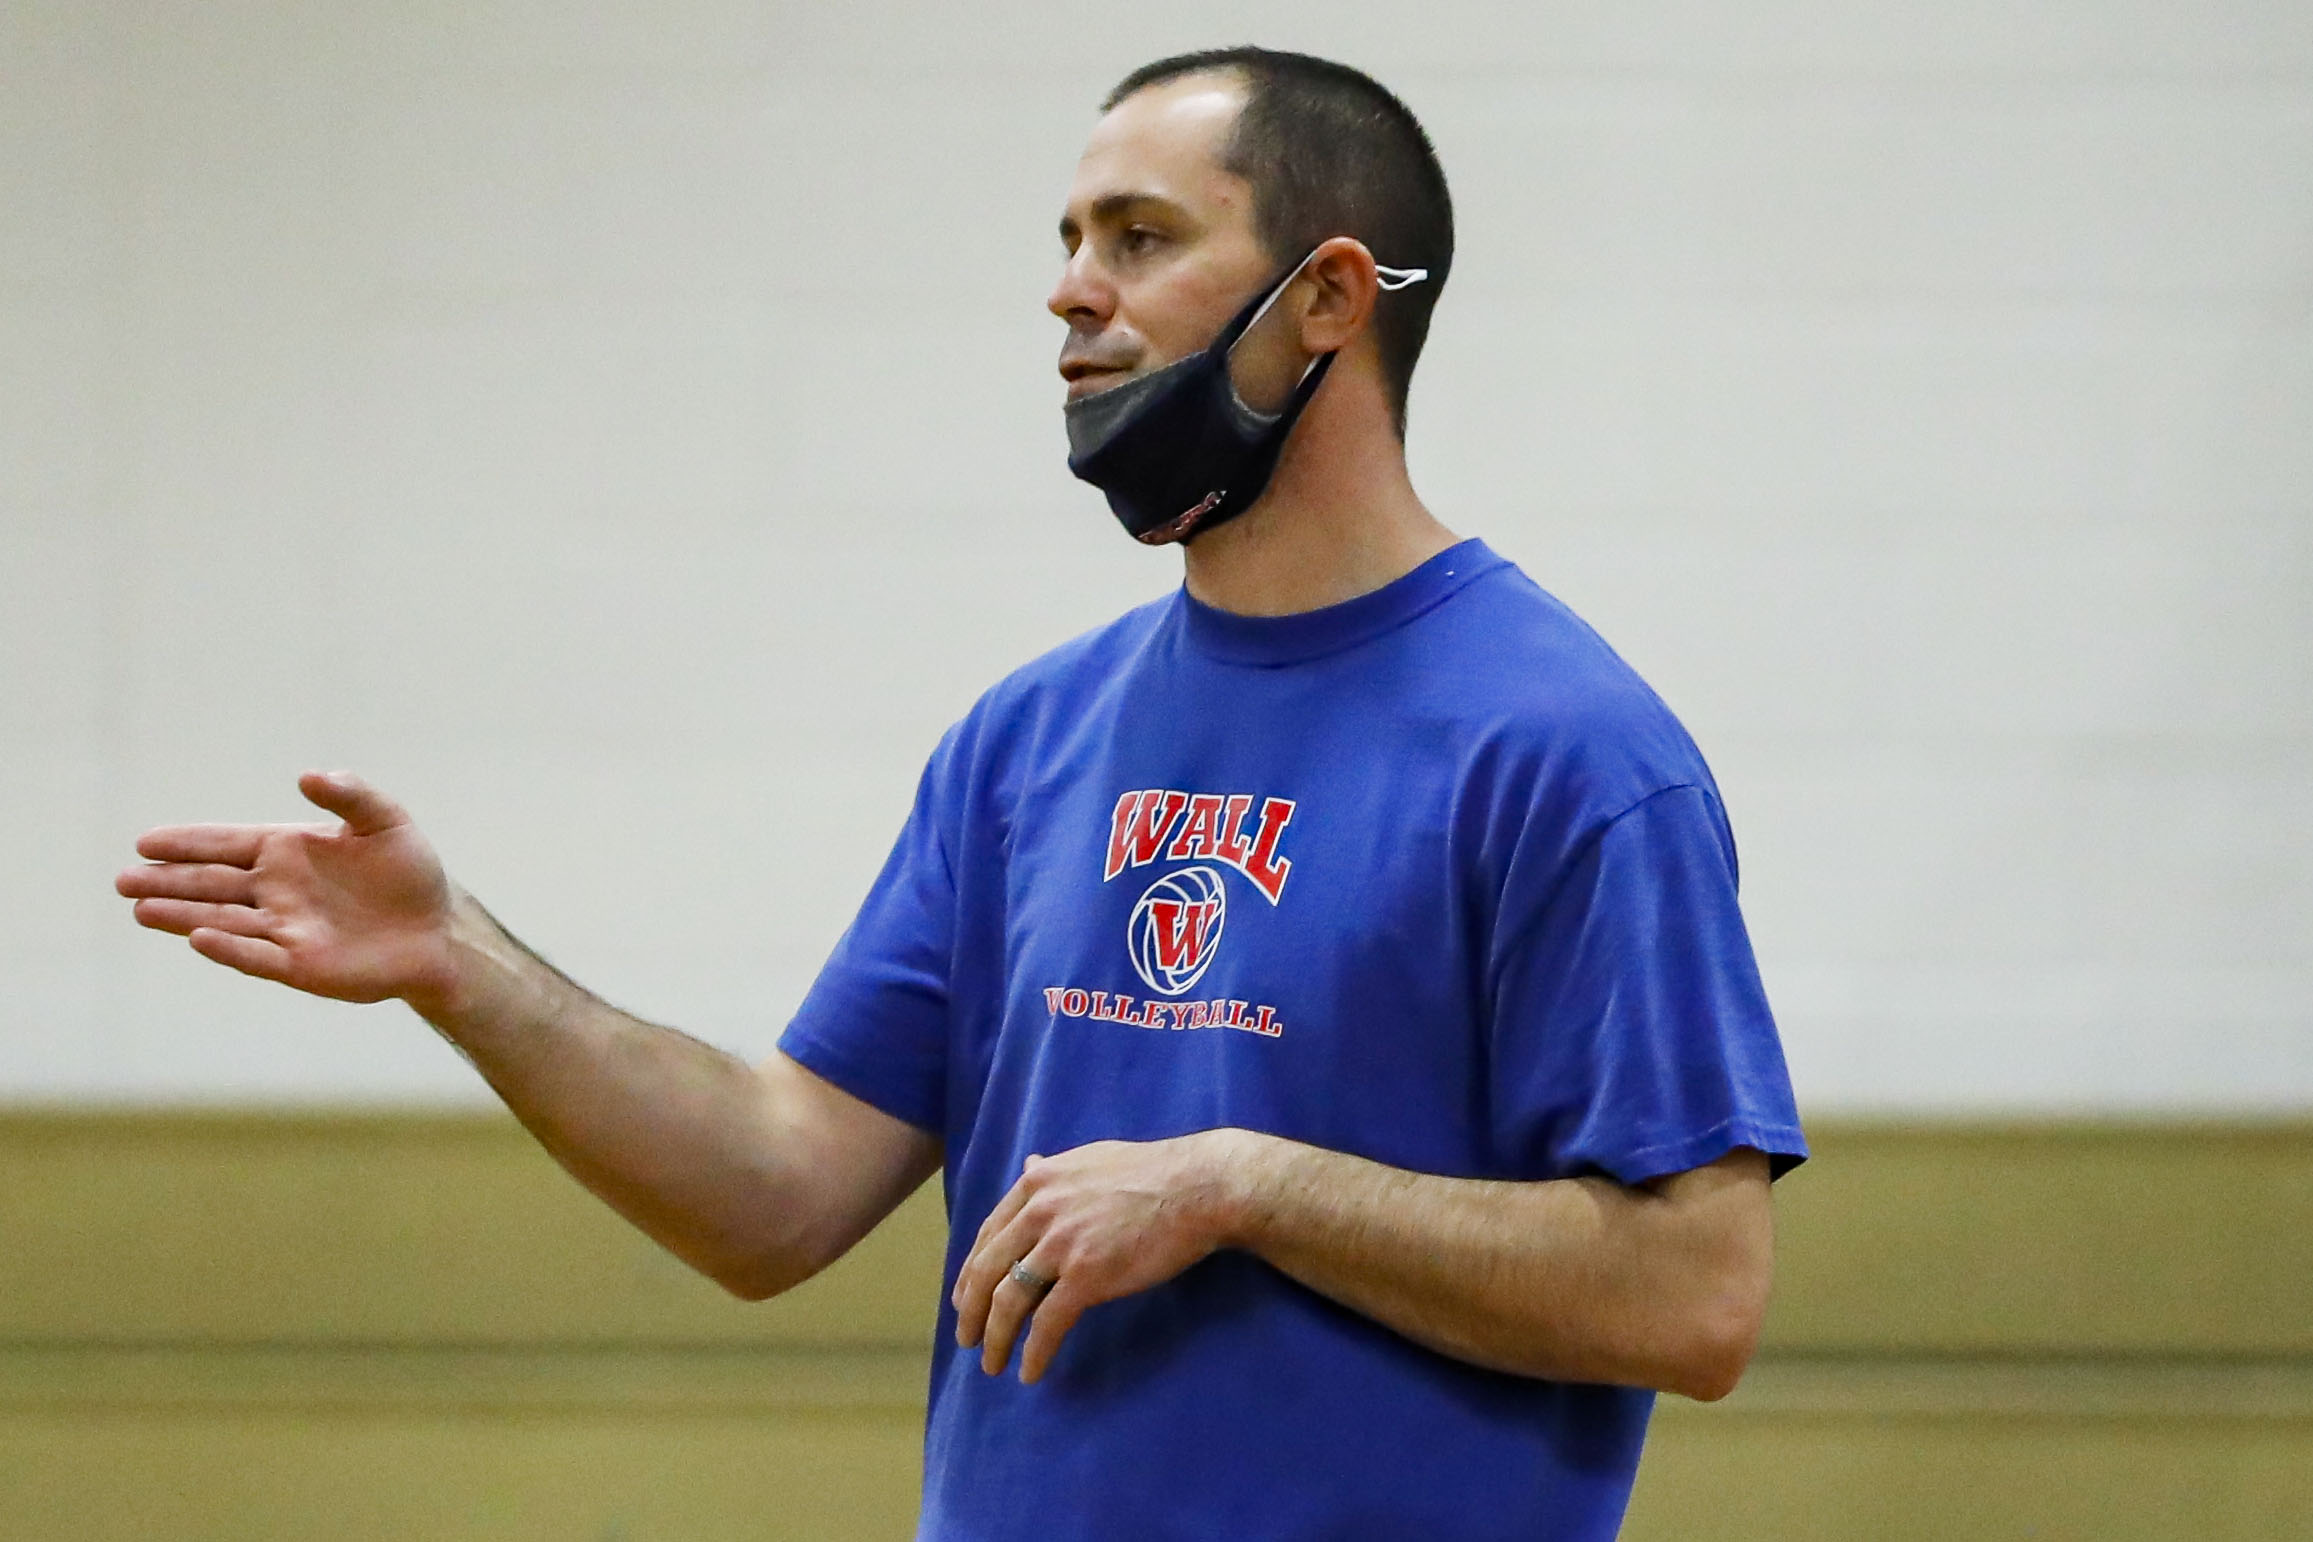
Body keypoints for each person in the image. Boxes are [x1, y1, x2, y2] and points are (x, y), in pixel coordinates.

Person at [117, 47, 1806, 1542]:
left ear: (1327, 296)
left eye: (1139, 239)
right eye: (1068, 245)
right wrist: (463, 967)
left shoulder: (1566, 753)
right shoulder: (1030, 739)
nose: (1071, 294)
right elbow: (773, 1192)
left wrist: (1238, 1181)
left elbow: (1693, 1293)